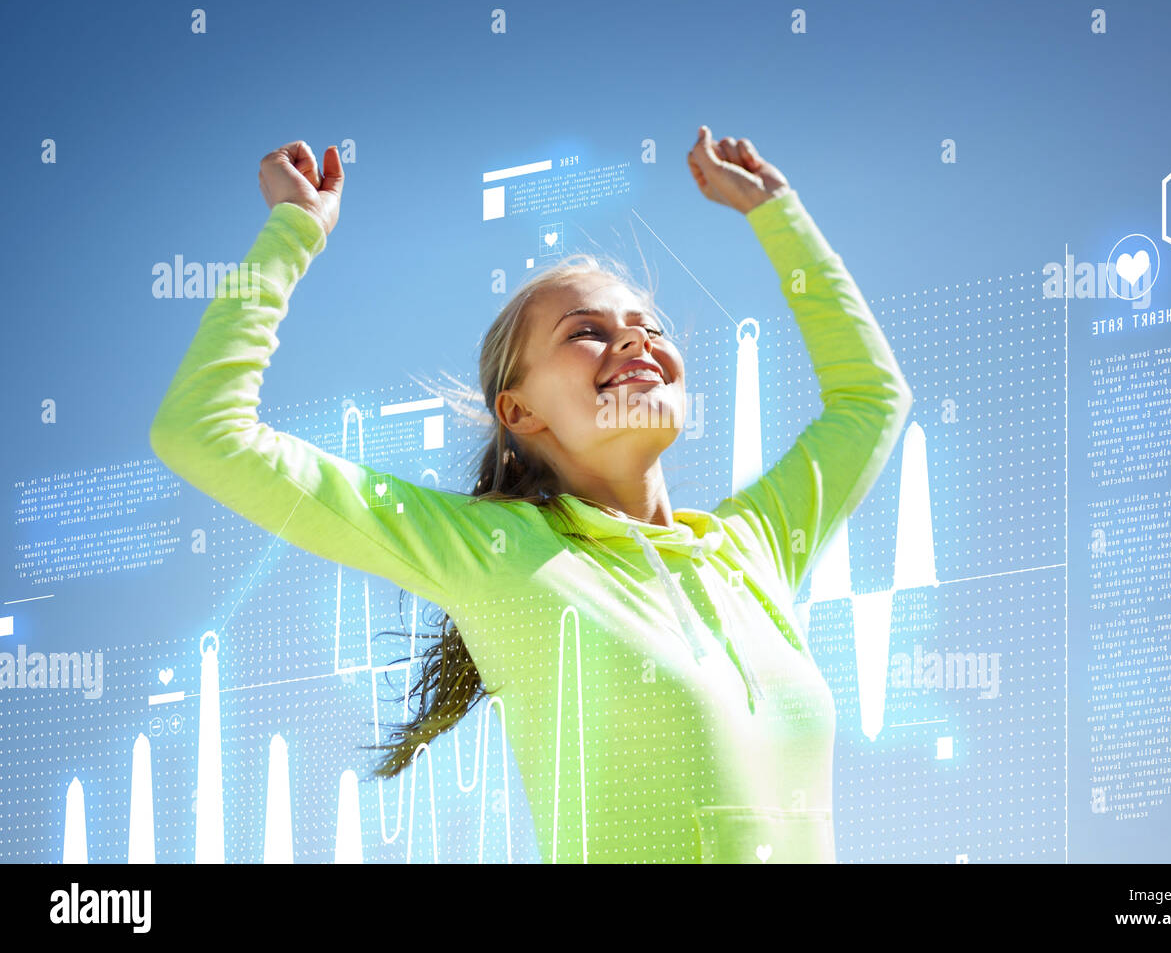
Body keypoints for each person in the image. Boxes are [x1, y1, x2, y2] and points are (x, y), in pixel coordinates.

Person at [149, 126, 913, 863]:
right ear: (519, 411)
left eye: (649, 326)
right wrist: (293, 229)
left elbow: (872, 402)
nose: (635, 341)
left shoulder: (753, 547)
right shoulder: (497, 553)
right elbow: (202, 430)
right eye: (586, 331)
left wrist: (776, 214)